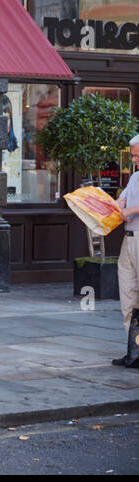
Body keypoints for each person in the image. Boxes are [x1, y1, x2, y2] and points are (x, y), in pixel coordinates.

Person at [110, 136, 139, 367]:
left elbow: (130, 208)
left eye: (138, 155)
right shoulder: (136, 177)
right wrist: (118, 205)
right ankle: (134, 350)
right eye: (133, 155)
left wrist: (130, 210)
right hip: (128, 239)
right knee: (128, 295)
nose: (134, 159)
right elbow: (122, 199)